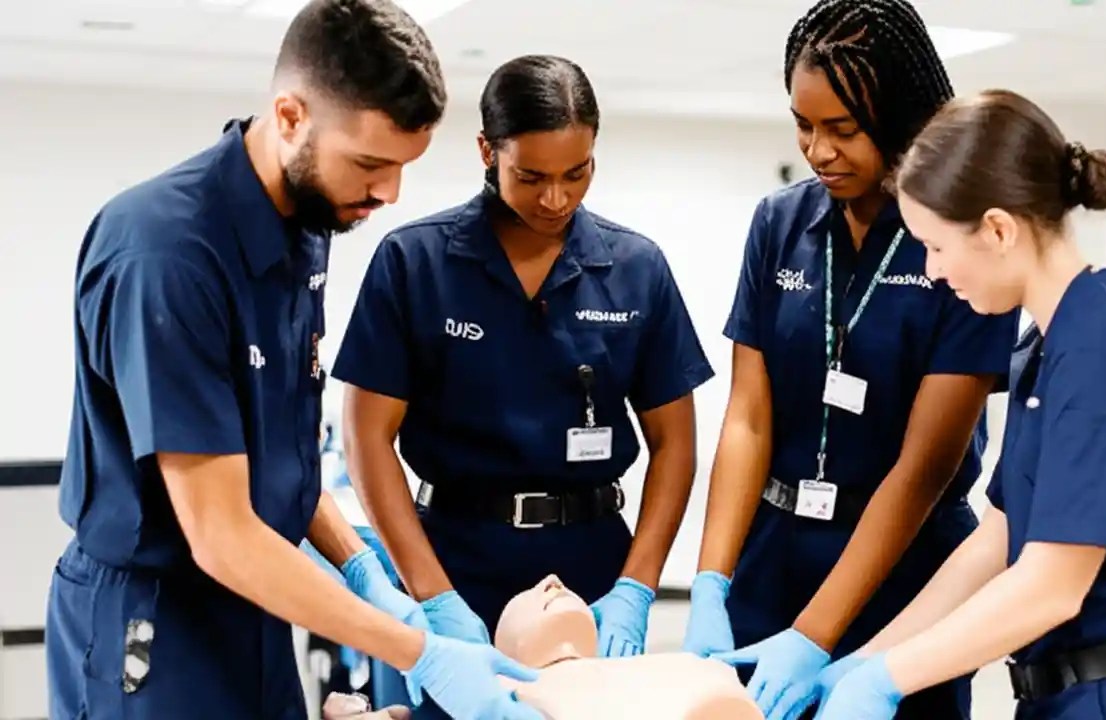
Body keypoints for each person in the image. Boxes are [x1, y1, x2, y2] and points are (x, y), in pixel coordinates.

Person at [45, 2, 542, 718]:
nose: (388, 194)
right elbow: (218, 533)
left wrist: (364, 570)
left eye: (403, 166)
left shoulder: (307, 221)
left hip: (257, 603)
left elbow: (281, 458)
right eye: (370, 164)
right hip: (153, 621)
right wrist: (417, 653)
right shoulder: (167, 254)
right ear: (288, 116)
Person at [809, 89, 1106, 719]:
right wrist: (865, 659)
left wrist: (889, 678)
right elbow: (998, 538)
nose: (933, 272)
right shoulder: (1044, 345)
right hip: (1066, 696)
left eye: (935, 246)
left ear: (997, 229)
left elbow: (1050, 587)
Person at [333, 54, 714, 716]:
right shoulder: (416, 262)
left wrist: (637, 587)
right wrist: (433, 597)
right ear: (487, 151)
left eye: (578, 173)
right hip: (451, 555)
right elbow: (367, 438)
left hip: (590, 565)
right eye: (530, 176)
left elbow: (675, 443)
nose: (556, 198)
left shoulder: (635, 268)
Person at [681, 1, 1019, 718]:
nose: (819, 151)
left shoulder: (956, 244)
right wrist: (712, 579)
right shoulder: (781, 223)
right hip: (775, 557)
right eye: (803, 125)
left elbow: (924, 466)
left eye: (843, 129)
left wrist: (814, 636)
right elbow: (748, 417)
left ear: (904, 119)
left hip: (904, 566)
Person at [488, 574, 763, 719]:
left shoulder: (680, 665)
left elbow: (729, 707)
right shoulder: (505, 693)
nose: (552, 580)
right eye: (531, 596)